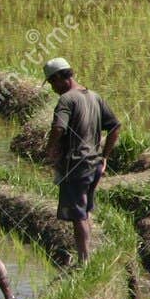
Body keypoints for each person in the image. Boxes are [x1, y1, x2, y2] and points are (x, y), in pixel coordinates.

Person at [43, 58, 120, 264]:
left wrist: (50, 150)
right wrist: (104, 157)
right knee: (84, 211)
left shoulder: (67, 100)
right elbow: (115, 126)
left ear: (60, 77)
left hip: (75, 164)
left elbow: (59, 128)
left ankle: (84, 262)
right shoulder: (94, 96)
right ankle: (85, 257)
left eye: (52, 83)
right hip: (93, 164)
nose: (52, 89)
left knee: (78, 215)